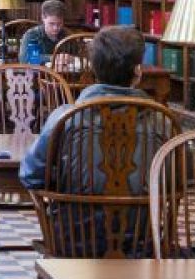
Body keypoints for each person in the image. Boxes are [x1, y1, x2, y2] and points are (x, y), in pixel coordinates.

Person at [19, 25, 163, 191]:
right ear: (138, 72)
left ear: (93, 70)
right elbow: (183, 177)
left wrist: (66, 180)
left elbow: (30, 175)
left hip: (75, 216)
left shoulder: (64, 117)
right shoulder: (162, 121)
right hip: (143, 217)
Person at [18, 0, 70, 65]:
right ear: (43, 18)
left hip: (64, 74)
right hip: (38, 74)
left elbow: (78, 57)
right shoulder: (31, 35)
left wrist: (72, 58)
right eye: (51, 23)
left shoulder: (67, 35)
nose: (56, 28)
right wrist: (54, 58)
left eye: (59, 24)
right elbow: (24, 59)